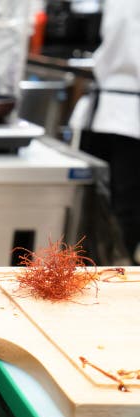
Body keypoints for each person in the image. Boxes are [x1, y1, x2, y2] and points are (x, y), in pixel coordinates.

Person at [71, 0, 140, 265]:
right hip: (105, 107)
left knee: (125, 209)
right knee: (92, 205)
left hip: (124, 112)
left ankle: (115, 278)